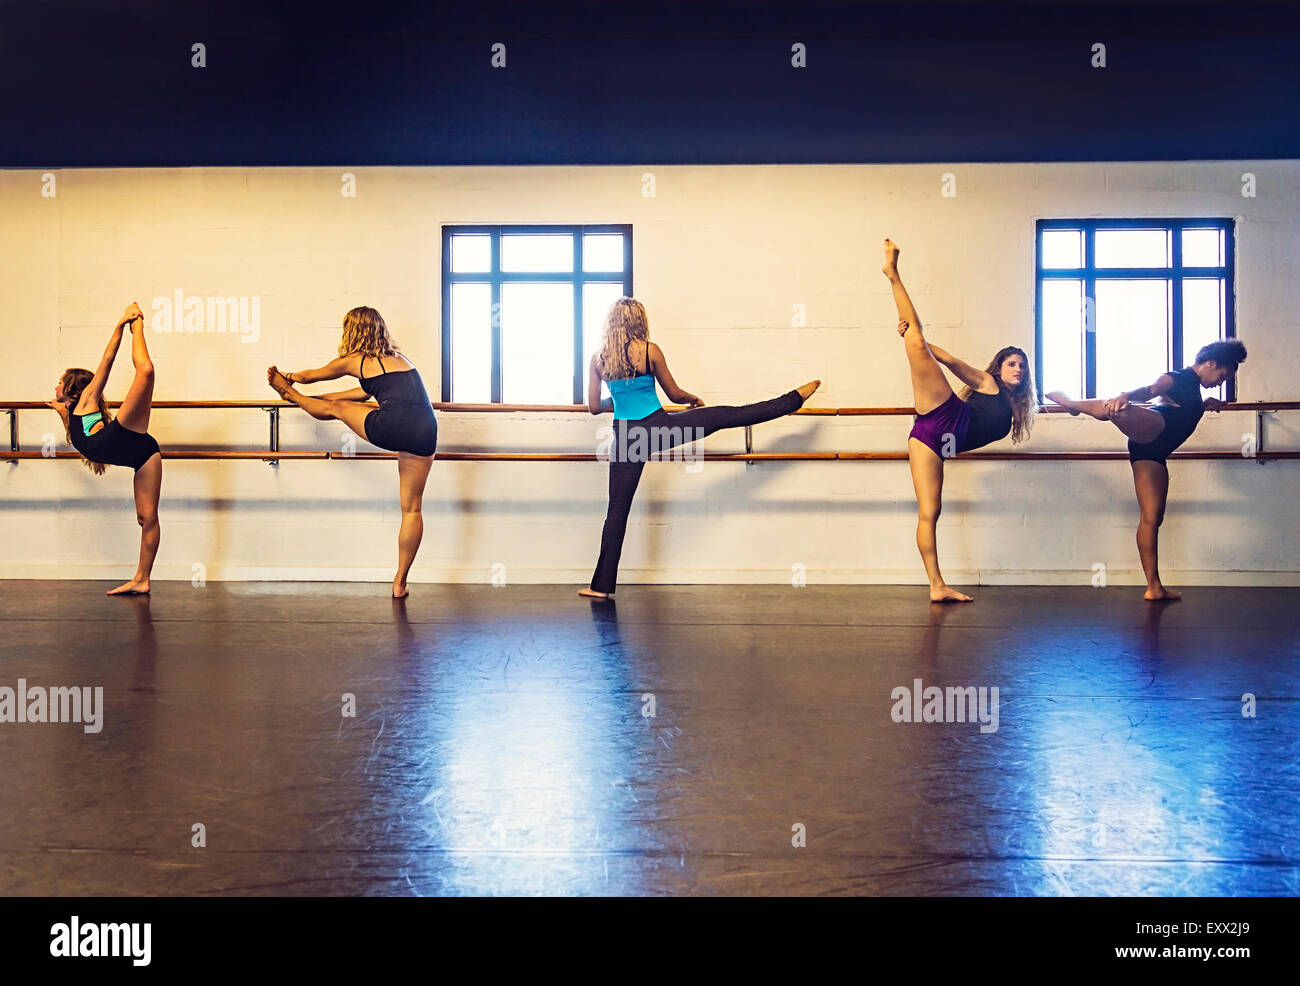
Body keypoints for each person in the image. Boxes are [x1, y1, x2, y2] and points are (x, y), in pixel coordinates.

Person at [579, 297, 820, 599]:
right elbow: (674, 393)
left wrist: (619, 396)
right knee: (723, 415)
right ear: (638, 320)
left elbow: (592, 407)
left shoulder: (598, 358)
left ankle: (600, 587)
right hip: (658, 428)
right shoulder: (649, 351)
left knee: (616, 510)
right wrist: (693, 401)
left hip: (625, 438)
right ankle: (791, 401)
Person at [881, 238, 1037, 602]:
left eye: (1022, 365)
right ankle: (893, 274)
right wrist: (917, 338)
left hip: (933, 441)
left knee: (930, 511)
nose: (1017, 368)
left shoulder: (1019, 410)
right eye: (1011, 363)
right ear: (999, 367)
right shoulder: (987, 382)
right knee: (916, 342)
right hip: (943, 414)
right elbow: (950, 362)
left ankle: (937, 587)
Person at [1047, 339, 1246, 600]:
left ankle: (1154, 587)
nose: (1220, 382)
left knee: (1152, 519)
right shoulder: (1180, 377)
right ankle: (1071, 402)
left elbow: (1185, 405)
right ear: (1211, 363)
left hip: (1153, 452)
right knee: (1118, 409)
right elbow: (1152, 389)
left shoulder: (1194, 391)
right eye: (1221, 376)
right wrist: (1127, 395)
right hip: (1154, 427)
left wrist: (1207, 402)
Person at [268, 306, 437, 599]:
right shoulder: (400, 359)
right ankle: (400, 583)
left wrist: (290, 380)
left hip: (395, 424)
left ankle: (289, 397)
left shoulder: (354, 360)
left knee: (339, 409)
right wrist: (317, 401)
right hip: (425, 429)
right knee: (412, 509)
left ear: (353, 331)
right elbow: (361, 394)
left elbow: (312, 376)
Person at [49, 302, 162, 595]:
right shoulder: (71, 414)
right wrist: (60, 412)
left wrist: (122, 323)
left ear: (73, 388)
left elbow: (107, 360)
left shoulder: (87, 398)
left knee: (146, 371)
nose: (55, 388)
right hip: (140, 453)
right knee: (145, 518)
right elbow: (78, 437)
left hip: (119, 438)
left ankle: (138, 322)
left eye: (59, 384)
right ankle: (142, 579)